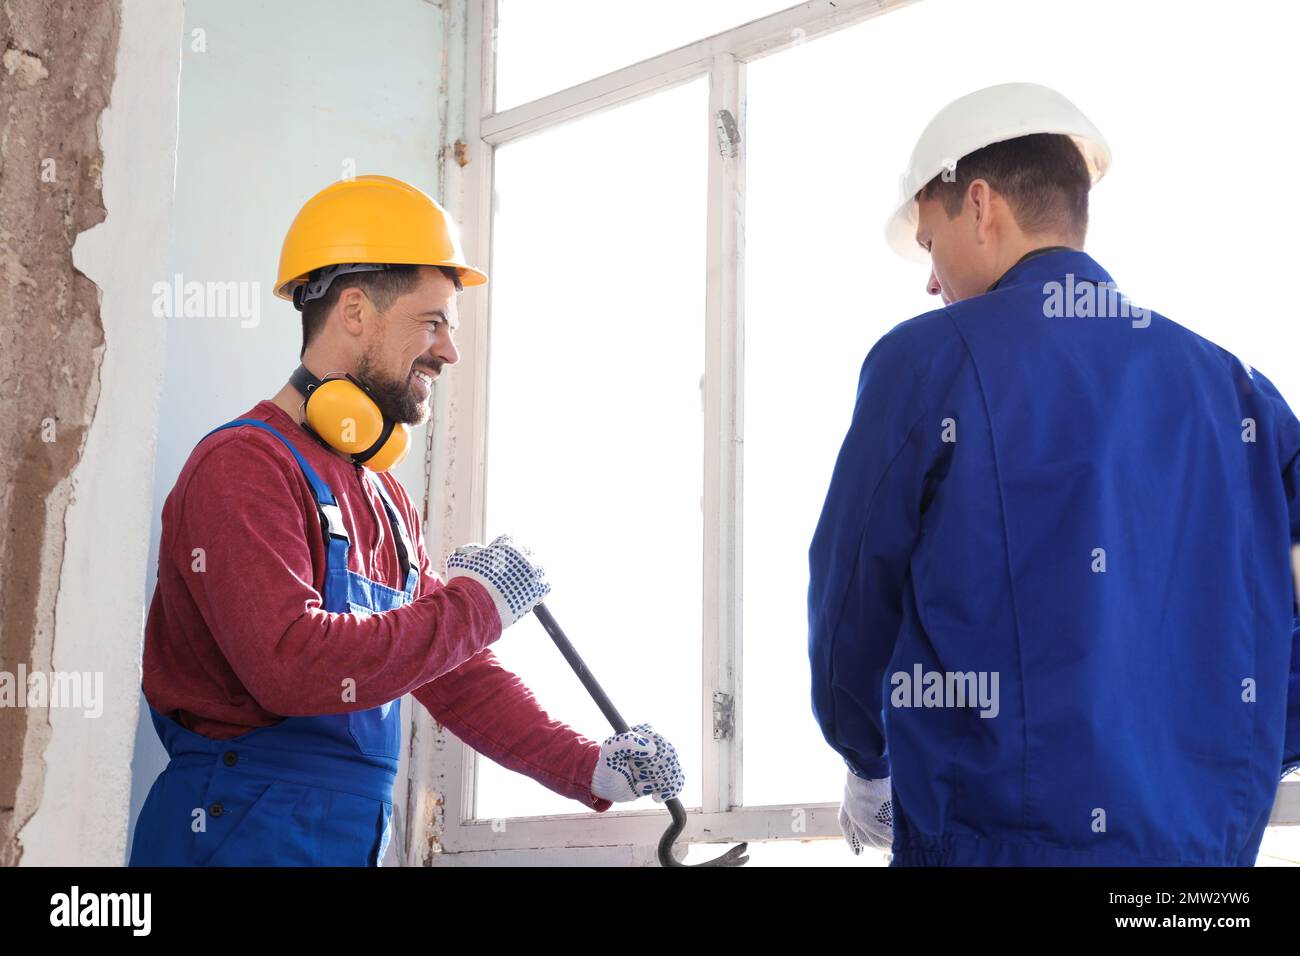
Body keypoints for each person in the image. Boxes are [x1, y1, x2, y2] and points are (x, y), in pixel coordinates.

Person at [808, 83, 1300, 866]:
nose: (930, 282)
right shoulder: (1239, 390)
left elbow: (854, 588)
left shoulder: (928, 360)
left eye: (930, 244)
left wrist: (864, 757)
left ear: (979, 204)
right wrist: (1247, 760)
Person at [130, 175, 683, 866]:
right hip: (238, 825)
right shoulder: (243, 465)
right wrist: (478, 604)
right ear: (356, 312)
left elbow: (450, 670)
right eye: (433, 322)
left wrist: (587, 767)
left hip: (351, 830)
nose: (448, 350)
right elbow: (290, 665)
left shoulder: (384, 496)